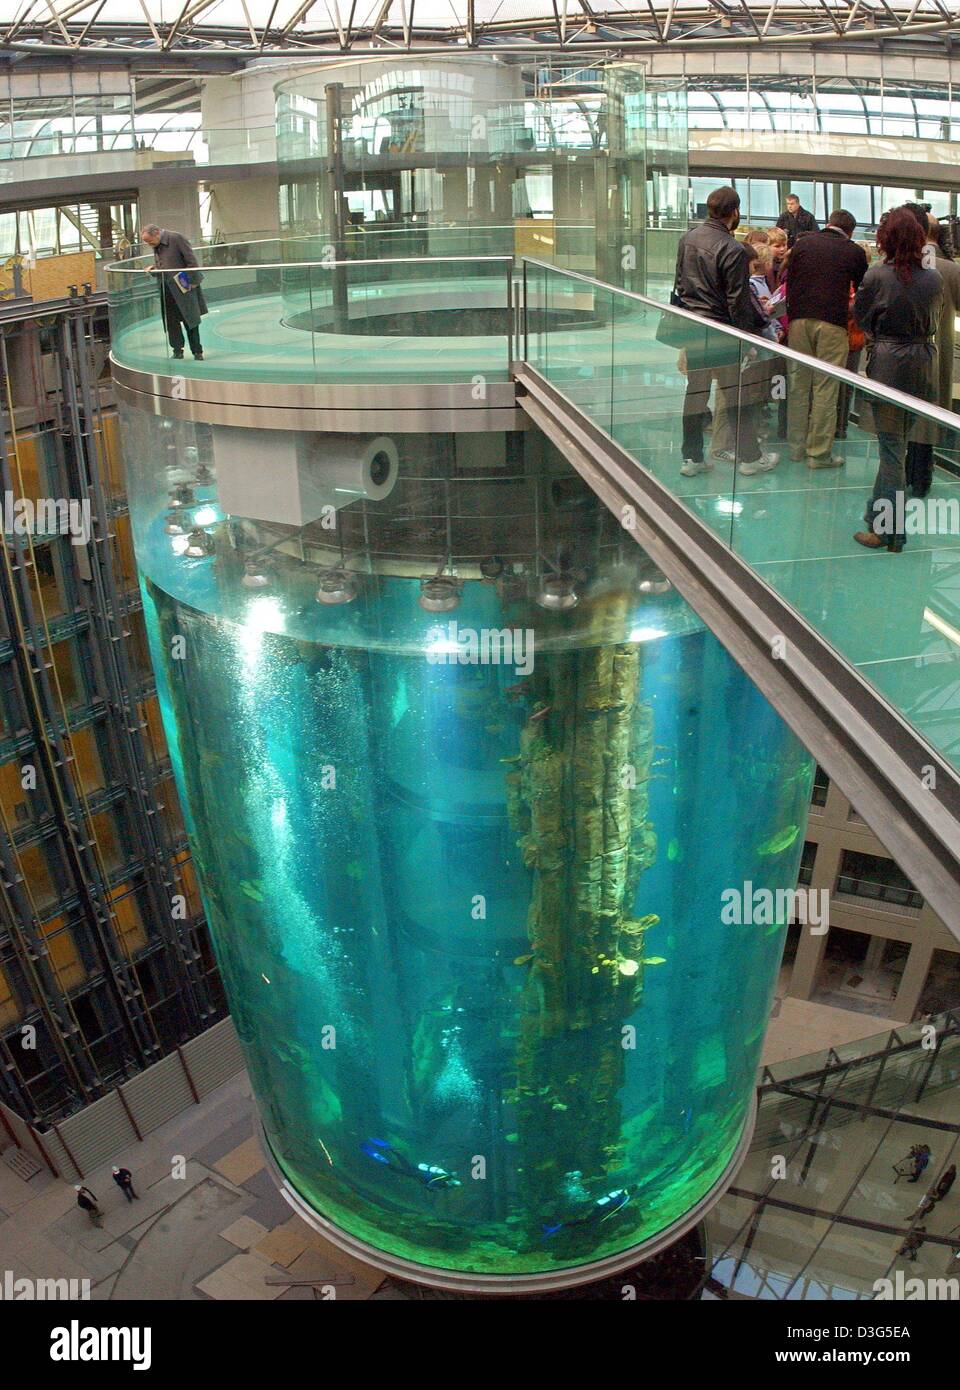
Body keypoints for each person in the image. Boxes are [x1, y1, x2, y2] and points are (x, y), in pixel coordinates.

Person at [671, 185, 779, 478]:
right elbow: (737, 299)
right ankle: (749, 458)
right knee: (735, 397)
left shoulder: (688, 238)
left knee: (695, 394)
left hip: (694, 328)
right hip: (722, 332)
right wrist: (746, 339)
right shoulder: (731, 248)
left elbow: (680, 284)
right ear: (735, 212)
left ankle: (691, 458)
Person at [853, 209, 943, 553]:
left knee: (892, 452)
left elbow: (862, 317)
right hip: (922, 365)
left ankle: (891, 531)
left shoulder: (877, 275)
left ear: (885, 239)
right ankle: (877, 519)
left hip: (889, 364)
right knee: (897, 446)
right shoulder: (932, 277)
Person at [786, 210, 869, 468]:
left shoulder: (802, 244)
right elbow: (864, 290)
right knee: (826, 388)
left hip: (798, 321)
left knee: (798, 385)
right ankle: (818, 453)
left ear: (829, 224)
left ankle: (796, 448)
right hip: (833, 324)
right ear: (850, 230)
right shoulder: (853, 251)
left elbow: (789, 279)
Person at [901, 207, 960, 496]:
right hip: (939, 348)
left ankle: (901, 474)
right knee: (930, 412)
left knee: (904, 409)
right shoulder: (951, 269)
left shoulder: (903, 263)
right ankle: (922, 477)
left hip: (906, 347)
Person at [141, 224, 207, 361]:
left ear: (157, 233)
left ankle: (197, 351)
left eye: (149, 241)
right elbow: (165, 264)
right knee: (172, 322)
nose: (149, 244)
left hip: (183, 288)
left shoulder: (176, 238)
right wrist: (154, 269)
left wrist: (192, 283)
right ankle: (177, 350)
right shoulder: (156, 245)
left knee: (190, 320)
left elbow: (191, 261)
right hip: (167, 289)